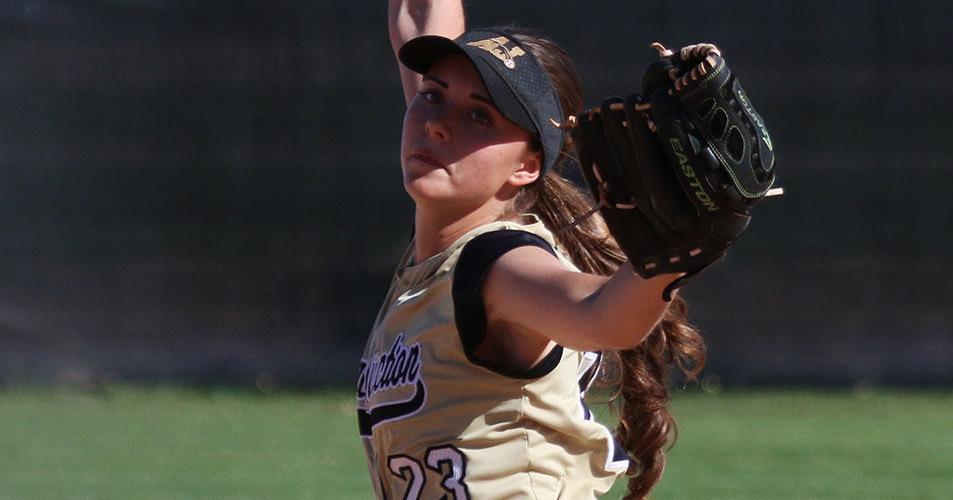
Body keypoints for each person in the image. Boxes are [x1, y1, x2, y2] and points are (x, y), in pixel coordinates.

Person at [357, 1, 705, 498]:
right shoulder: (442, 250)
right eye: (432, 96)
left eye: (480, 115)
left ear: (525, 166)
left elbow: (602, 317)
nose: (436, 124)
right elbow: (419, 18)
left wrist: (677, 244)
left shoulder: (497, 265)